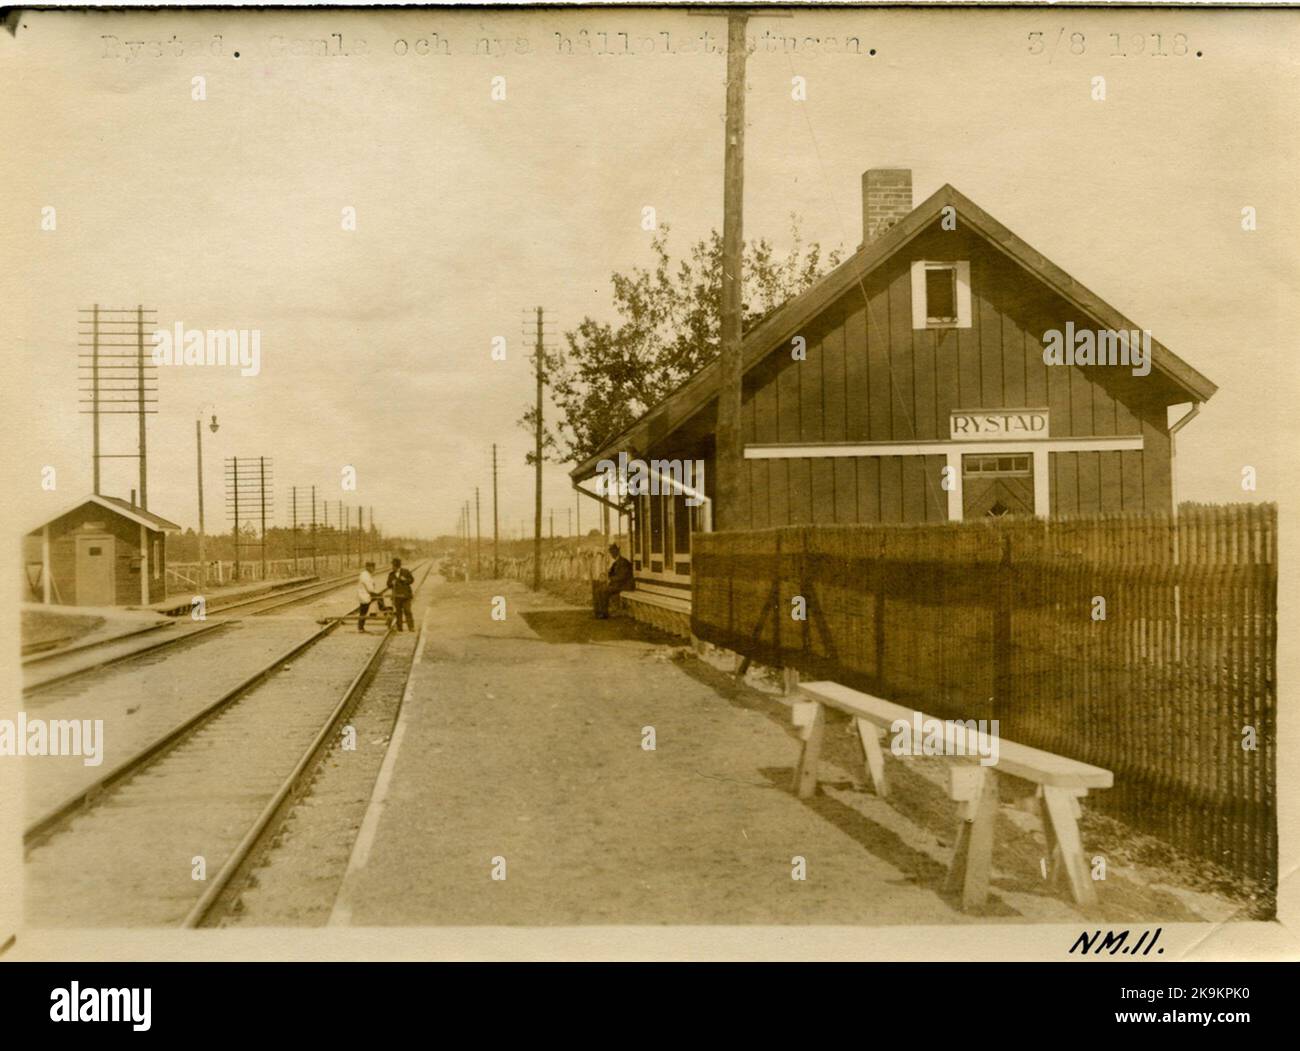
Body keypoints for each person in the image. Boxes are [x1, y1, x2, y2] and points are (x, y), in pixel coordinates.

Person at [592, 543, 634, 619]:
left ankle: (604, 614)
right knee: (599, 590)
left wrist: (610, 579)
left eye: (612, 552)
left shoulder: (623, 562)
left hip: (624, 585)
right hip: (618, 585)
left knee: (604, 591)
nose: (611, 554)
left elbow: (622, 577)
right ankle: (599, 612)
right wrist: (606, 575)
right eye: (611, 552)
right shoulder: (616, 562)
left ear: (616, 552)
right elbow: (611, 574)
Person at [356, 561, 387, 633]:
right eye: (373, 568)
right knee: (364, 611)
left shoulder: (366, 574)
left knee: (363, 611)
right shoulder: (365, 576)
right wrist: (375, 592)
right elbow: (370, 588)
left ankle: (360, 627)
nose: (374, 569)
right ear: (368, 568)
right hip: (365, 595)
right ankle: (383, 610)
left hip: (365, 594)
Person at [388, 557, 415, 632]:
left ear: (397, 566)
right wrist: (391, 583)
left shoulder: (406, 572)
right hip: (397, 597)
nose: (392, 567)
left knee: (407, 611)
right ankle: (400, 628)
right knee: (398, 613)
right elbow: (388, 584)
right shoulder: (391, 574)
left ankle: (411, 627)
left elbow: (412, 580)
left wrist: (405, 580)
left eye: (393, 566)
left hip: (406, 596)